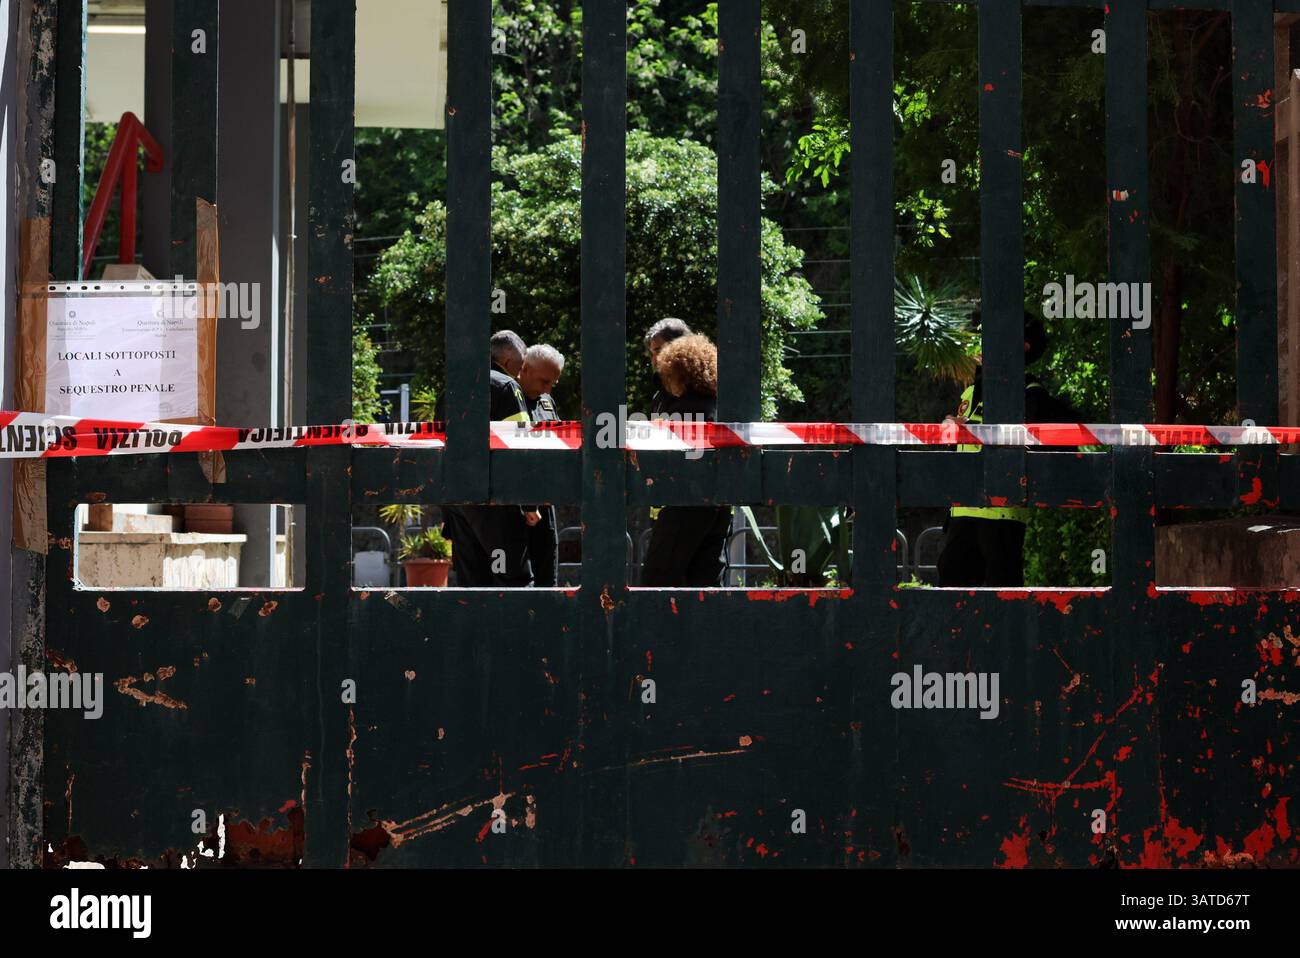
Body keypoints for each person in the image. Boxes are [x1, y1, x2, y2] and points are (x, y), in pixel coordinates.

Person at [936, 313, 1081, 587]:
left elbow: (1049, 450)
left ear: (1023, 347)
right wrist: (950, 427)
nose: (984, 346)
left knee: (1002, 605)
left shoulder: (1031, 394)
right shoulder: (971, 393)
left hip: (1002, 516)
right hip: (962, 512)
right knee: (951, 603)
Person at [438, 336, 534, 587]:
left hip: (457, 500)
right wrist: (530, 502)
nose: (522, 374)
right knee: (514, 580)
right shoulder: (506, 386)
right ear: (506, 360)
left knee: (472, 585)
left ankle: (475, 628)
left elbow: (439, 447)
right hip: (495, 498)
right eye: (521, 366)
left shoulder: (452, 387)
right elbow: (520, 445)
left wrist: (446, 512)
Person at [640, 334, 734, 587]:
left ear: (680, 373)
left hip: (685, 501)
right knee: (706, 580)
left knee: (657, 579)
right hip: (720, 505)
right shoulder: (720, 406)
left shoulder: (682, 410)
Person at [516, 344, 565, 587]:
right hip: (517, 508)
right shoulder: (510, 400)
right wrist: (528, 504)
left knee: (548, 578)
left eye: (552, 383)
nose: (548, 389)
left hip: (545, 504)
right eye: (544, 381)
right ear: (524, 369)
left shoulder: (547, 403)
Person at [644, 317, 691, 414]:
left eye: (658, 350)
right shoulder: (659, 396)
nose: (654, 360)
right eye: (652, 353)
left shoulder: (700, 390)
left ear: (680, 348)